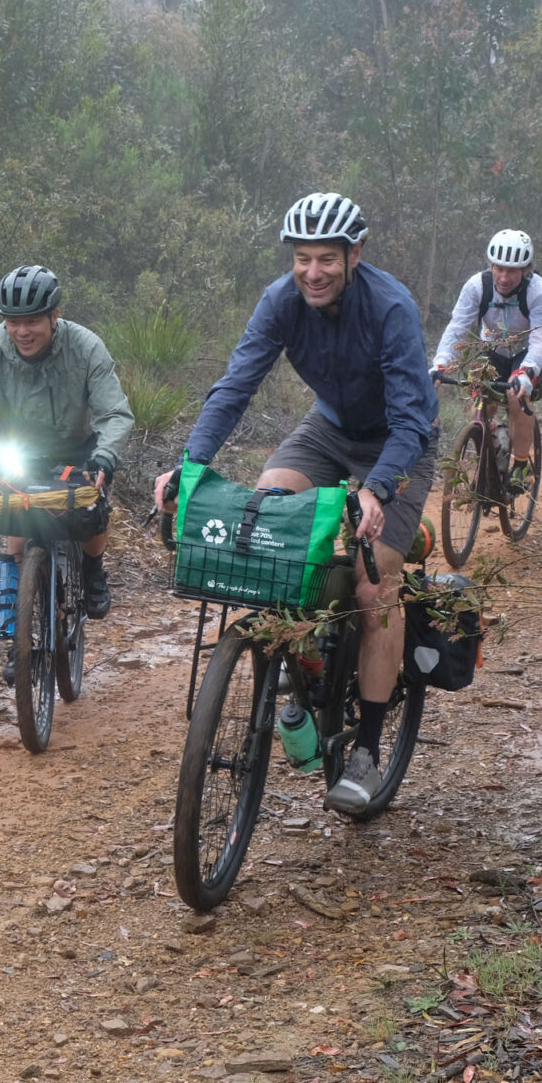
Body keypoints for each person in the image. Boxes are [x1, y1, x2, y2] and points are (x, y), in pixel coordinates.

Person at [152, 192, 437, 818]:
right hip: (327, 431)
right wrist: (190, 466)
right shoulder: (281, 300)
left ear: (354, 255)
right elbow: (236, 386)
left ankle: (366, 749)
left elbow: (413, 423)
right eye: (303, 258)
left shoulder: (390, 307)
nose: (313, 272)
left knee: (373, 586)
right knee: (267, 523)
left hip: (398, 443)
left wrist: (377, 489)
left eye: (327, 259)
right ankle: (303, 654)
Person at [0, 265, 134, 676]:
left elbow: (114, 413)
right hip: (17, 449)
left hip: (77, 448)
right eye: (13, 322)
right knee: (16, 524)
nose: (22, 331)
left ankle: (93, 569)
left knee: (90, 510)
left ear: (54, 316)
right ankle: (20, 639)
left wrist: (104, 457)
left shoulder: (85, 347)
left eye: (32, 321)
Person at [431, 229, 542, 491]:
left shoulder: (539, 291)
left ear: (525, 271)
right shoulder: (477, 286)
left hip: (527, 352)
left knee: (516, 395)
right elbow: (457, 328)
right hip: (493, 348)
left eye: (512, 271)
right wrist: (441, 363)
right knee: (479, 394)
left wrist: (526, 372)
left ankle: (521, 465)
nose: (504, 277)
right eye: (499, 269)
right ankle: (490, 452)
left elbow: (541, 340)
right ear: (490, 266)